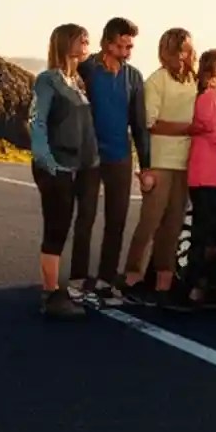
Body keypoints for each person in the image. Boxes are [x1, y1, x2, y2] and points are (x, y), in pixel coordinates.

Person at [69, 17, 152, 307]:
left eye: (130, 46)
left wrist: (146, 167)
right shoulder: (86, 68)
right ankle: (77, 280)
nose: (128, 51)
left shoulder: (134, 77)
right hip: (89, 156)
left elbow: (139, 125)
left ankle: (105, 282)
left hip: (120, 155)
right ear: (107, 42)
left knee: (116, 221)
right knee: (86, 217)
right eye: (122, 45)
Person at [120, 27, 197, 307]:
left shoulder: (196, 81)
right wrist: (189, 128)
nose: (180, 56)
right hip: (161, 162)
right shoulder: (156, 81)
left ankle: (163, 283)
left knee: (174, 225)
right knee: (150, 222)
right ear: (165, 52)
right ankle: (131, 278)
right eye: (175, 51)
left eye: (185, 50)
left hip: (185, 163)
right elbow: (149, 123)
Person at [27, 23, 100, 320]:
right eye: (81, 39)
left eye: (87, 39)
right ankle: (51, 294)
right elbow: (36, 121)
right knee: (56, 227)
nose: (86, 43)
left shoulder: (76, 82)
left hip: (77, 166)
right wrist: (48, 162)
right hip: (56, 166)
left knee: (66, 224)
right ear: (65, 43)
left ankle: (57, 289)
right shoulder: (48, 80)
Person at [166, 48, 216, 312]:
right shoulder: (208, 98)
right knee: (202, 233)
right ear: (211, 69)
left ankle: (203, 287)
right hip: (204, 173)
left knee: (211, 232)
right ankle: (187, 291)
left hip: (215, 171)